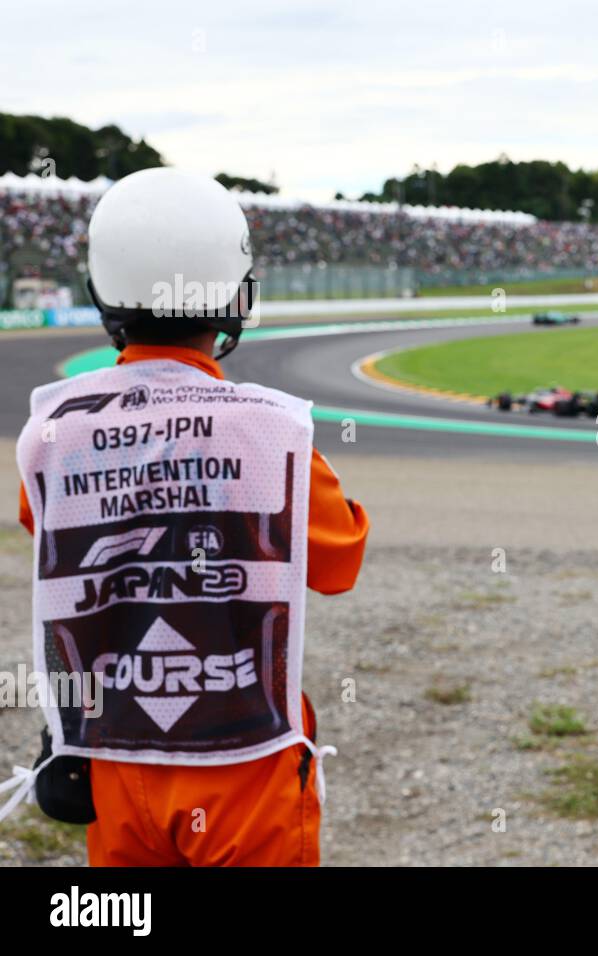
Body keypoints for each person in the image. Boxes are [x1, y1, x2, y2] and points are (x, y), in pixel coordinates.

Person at [6, 168, 369, 866]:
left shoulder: (51, 432)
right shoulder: (269, 431)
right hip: (242, 758)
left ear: (102, 295)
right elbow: (338, 560)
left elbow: (45, 525)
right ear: (233, 299)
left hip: (114, 757)